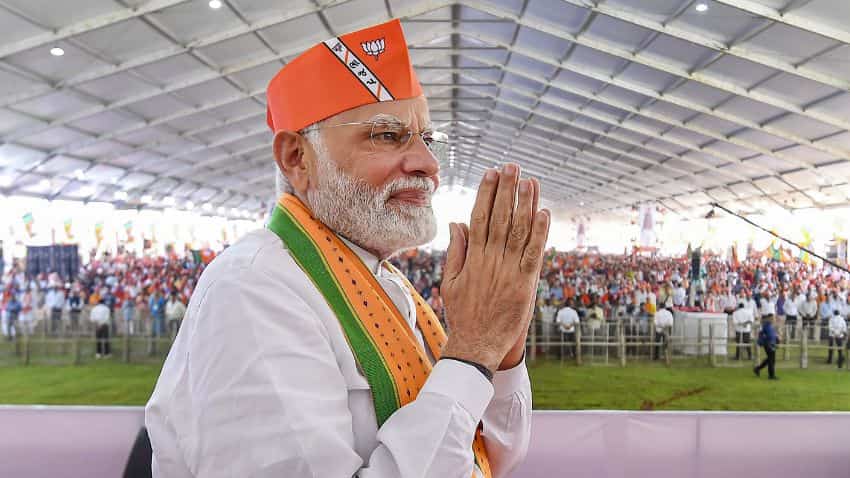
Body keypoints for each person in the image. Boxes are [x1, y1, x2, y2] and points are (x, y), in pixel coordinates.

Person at [146, 20, 546, 478]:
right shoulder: (252, 288)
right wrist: (472, 351)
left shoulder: (387, 283)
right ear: (298, 158)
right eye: (387, 135)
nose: (428, 164)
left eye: (427, 139)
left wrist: (501, 347)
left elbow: (489, 457)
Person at [754, 312, 779, 380]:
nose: (774, 319)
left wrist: (776, 339)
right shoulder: (766, 325)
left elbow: (772, 335)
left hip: (771, 344)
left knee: (770, 359)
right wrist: (768, 342)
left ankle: (757, 368)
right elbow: (763, 334)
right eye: (773, 318)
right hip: (768, 344)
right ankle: (771, 376)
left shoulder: (770, 325)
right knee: (771, 360)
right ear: (770, 318)